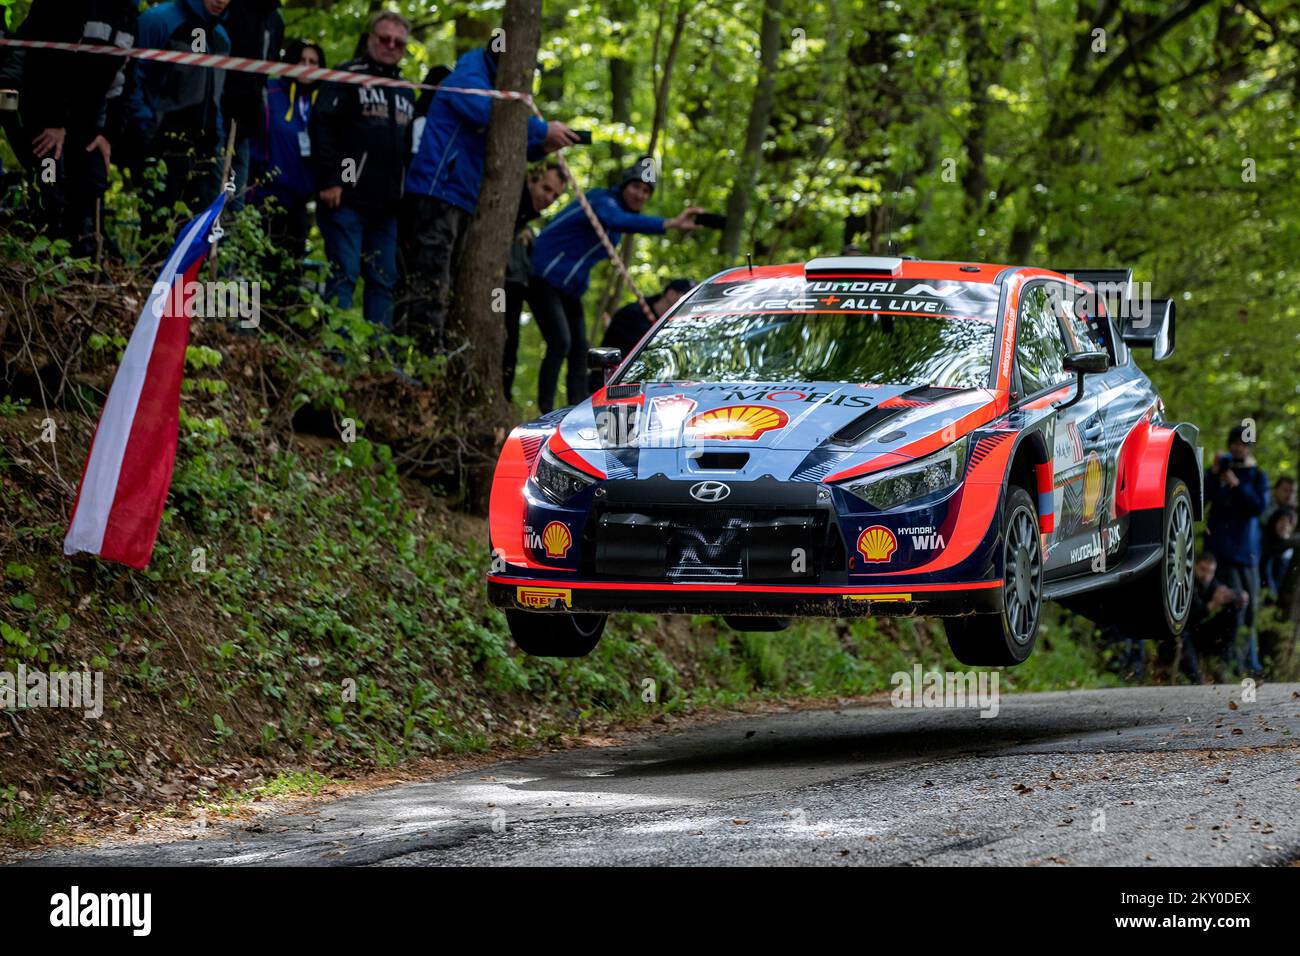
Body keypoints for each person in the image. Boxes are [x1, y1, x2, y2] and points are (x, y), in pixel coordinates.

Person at [401, 44, 577, 350]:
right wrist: (542, 128)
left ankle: (435, 354)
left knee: (453, 280)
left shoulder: (494, 85)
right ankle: (422, 357)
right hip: (437, 190)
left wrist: (542, 146)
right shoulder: (470, 74)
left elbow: (503, 141)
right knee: (431, 279)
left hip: (462, 196)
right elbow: (487, 113)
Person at [530, 156, 702, 412]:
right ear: (623, 185)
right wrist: (669, 223)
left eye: (646, 191)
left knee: (581, 352)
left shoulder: (616, 226)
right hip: (542, 276)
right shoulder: (601, 201)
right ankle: (545, 410)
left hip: (568, 290)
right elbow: (616, 219)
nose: (640, 195)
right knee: (560, 342)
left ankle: (576, 411)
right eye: (636, 187)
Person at [0, 0, 138, 256]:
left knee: (92, 180)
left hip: (87, 120)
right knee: (51, 178)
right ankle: (45, 249)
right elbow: (47, 63)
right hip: (42, 110)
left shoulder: (128, 12)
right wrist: (54, 122)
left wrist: (107, 134)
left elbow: (126, 80)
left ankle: (84, 255)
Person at [310, 11, 415, 331]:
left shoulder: (406, 89)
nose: (390, 46)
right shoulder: (347, 75)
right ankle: (335, 355)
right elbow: (324, 127)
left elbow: (409, 147)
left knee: (383, 280)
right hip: (347, 197)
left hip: (388, 206)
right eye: (384, 39)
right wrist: (334, 180)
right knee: (344, 272)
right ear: (371, 38)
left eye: (398, 43)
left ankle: (377, 359)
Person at [129, 0, 233, 244]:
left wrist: (218, 144)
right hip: (160, 147)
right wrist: (146, 130)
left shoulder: (221, 36)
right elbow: (133, 78)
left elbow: (216, 97)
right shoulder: (158, 21)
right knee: (158, 236)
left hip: (205, 153)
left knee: (200, 238)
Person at [250, 40, 323, 291]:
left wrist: (346, 178)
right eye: (301, 61)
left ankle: (281, 325)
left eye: (313, 62)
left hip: (300, 201)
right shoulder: (270, 92)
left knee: (290, 270)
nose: (307, 67)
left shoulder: (322, 103)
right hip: (265, 196)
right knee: (260, 265)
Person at [1203, 424, 1269, 675]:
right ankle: (1225, 661)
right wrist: (1215, 472)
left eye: (1242, 444)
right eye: (1234, 443)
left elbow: (1259, 507)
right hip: (1221, 553)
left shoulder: (1257, 476)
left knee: (1249, 609)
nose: (1237, 447)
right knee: (1229, 606)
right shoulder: (1219, 471)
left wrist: (1237, 484)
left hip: (1247, 554)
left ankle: (1249, 664)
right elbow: (1203, 496)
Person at [502, 162, 566, 400]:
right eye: (545, 188)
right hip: (499, 289)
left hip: (515, 286)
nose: (549, 198)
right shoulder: (509, 201)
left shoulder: (525, 219)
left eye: (555, 195)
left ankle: (503, 397)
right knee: (501, 335)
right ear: (531, 181)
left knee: (510, 339)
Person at [220, 0, 283, 213]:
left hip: (247, 126)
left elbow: (266, 74)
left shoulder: (275, 20)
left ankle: (226, 245)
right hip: (216, 119)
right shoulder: (228, 8)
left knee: (234, 202)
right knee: (210, 196)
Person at [586, 278, 694, 394]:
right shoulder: (631, 316)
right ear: (671, 294)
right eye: (686, 297)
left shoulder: (676, 325)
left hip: (657, 390)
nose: (690, 304)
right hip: (613, 388)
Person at [1184, 552, 1249, 683]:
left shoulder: (1211, 583)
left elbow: (1227, 591)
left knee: (1233, 613)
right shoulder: (1186, 583)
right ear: (1194, 567)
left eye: (1210, 571)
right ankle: (1197, 678)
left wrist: (1238, 596)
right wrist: (1212, 605)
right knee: (1182, 634)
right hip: (1186, 636)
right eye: (1202, 569)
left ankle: (1221, 665)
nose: (1206, 575)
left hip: (1203, 635)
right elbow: (1187, 619)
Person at [1260, 505, 1296, 599]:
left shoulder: (1292, 548)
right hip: (1266, 591)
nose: (1284, 525)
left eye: (1288, 522)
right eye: (1281, 521)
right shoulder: (1268, 542)